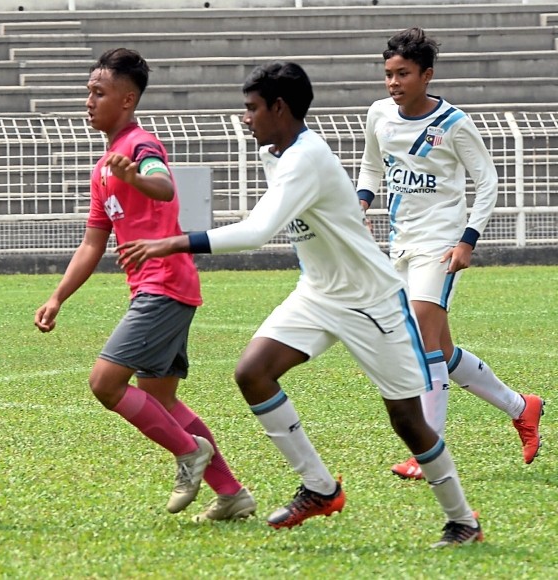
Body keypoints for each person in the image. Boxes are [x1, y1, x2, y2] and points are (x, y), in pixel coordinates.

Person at [117, 62, 483, 547]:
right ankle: (319, 488)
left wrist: (172, 243)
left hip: (370, 299)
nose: (245, 118)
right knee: (252, 372)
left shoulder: (305, 157)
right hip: (318, 291)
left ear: (279, 108)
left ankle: (463, 522)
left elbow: (256, 231)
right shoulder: (278, 151)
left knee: (407, 420)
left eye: (251, 109)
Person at [34, 48, 253, 522]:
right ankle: (232, 494)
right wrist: (57, 296)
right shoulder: (102, 168)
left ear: (127, 100)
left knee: (105, 382)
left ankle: (188, 453)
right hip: (158, 290)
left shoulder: (139, 146)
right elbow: (93, 244)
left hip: (165, 285)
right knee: (161, 398)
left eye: (98, 93)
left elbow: (163, 185)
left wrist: (136, 174)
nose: (88, 101)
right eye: (88, 92)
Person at [356, 28, 544, 480]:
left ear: (427, 75)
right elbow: (371, 165)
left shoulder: (454, 124)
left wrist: (467, 240)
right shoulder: (380, 114)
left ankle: (429, 453)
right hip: (399, 244)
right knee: (440, 348)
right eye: (388, 74)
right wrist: (360, 202)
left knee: (422, 336)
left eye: (403, 74)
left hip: (439, 246)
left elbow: (488, 182)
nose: (393, 83)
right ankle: (522, 407)